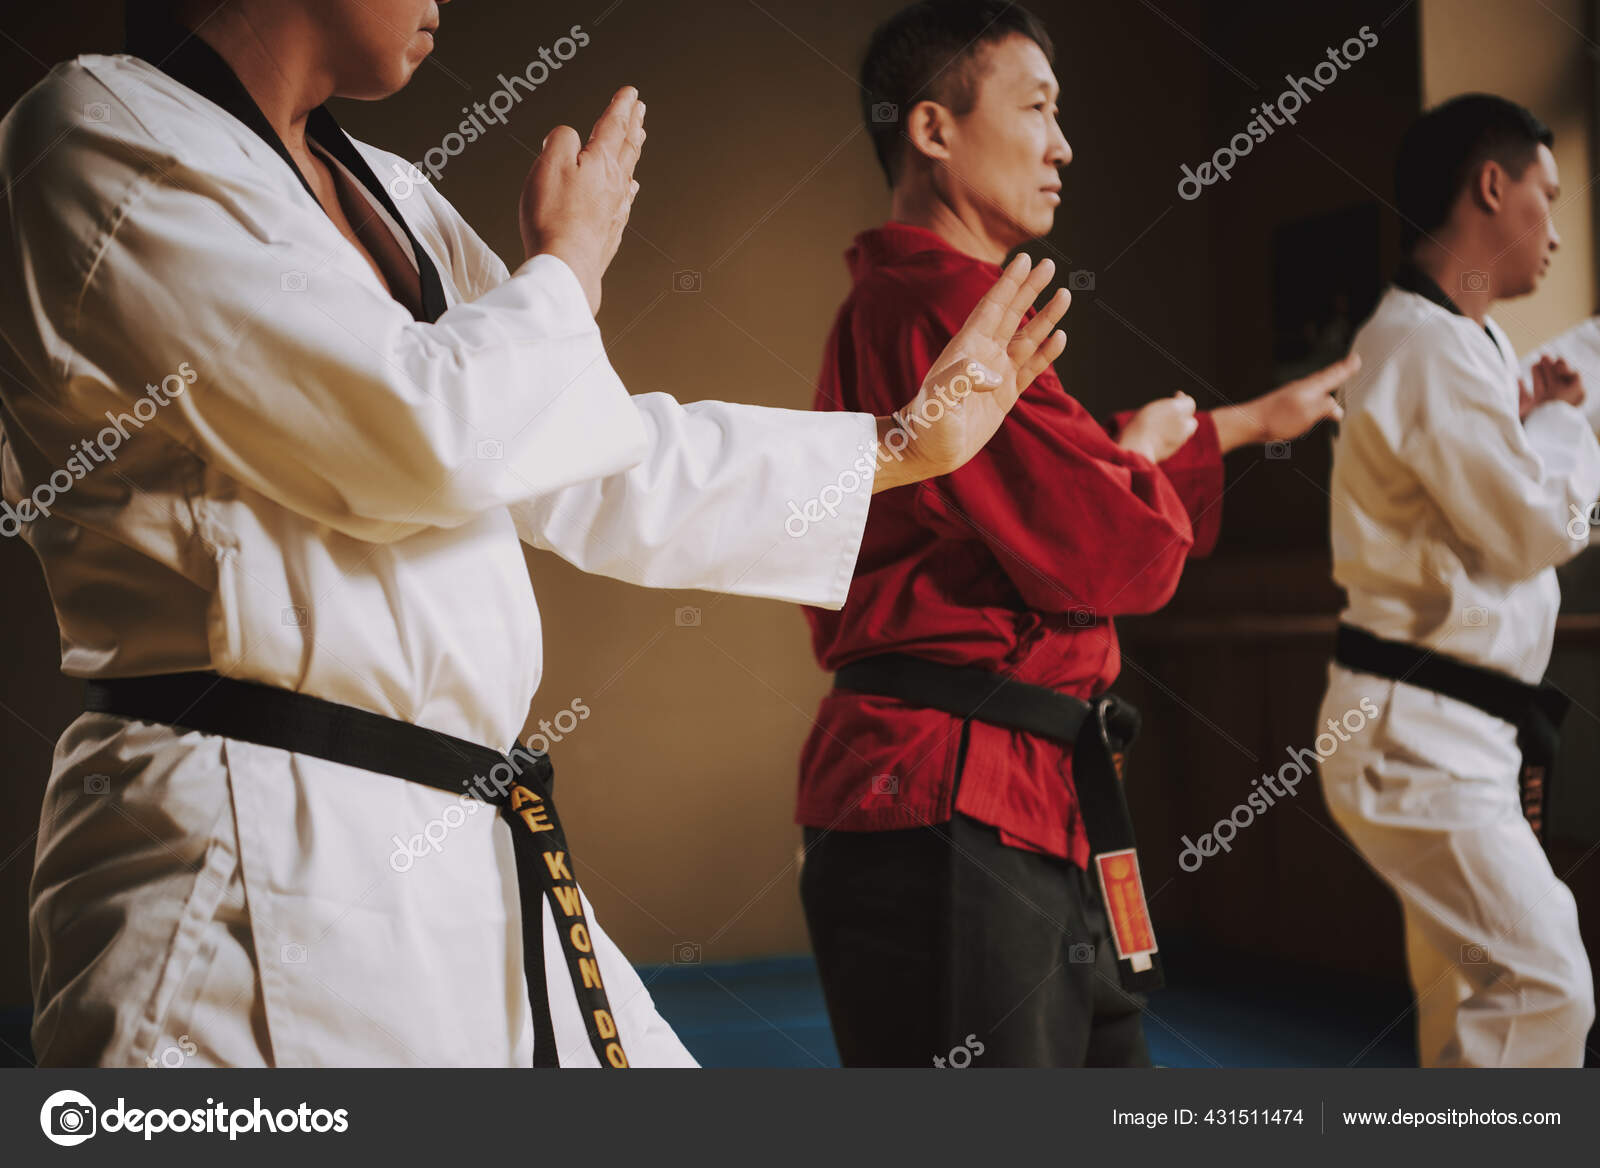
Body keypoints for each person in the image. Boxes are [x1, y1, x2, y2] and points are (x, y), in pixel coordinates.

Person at [0, 0, 1071, 1067]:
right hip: (248, 853)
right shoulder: (99, 134)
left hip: (457, 841)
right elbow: (419, 433)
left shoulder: (388, 190)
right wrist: (569, 263)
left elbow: (590, 463)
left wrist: (897, 446)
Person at [794, 0, 1358, 1068]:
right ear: (931, 129)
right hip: (951, 793)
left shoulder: (931, 308)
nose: (1064, 146)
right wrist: (1146, 465)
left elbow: (1070, 472)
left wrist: (1237, 422)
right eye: (1038, 108)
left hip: (1006, 792)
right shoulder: (934, 309)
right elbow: (1115, 545)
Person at [1317, 93, 1597, 1067]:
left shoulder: (1463, 339)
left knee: (1472, 1004)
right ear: (1491, 185)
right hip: (1415, 733)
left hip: (1447, 729)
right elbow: (1530, 528)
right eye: (1545, 198)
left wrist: (1535, 414)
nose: (1556, 234)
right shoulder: (1425, 343)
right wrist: (1567, 422)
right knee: (1542, 985)